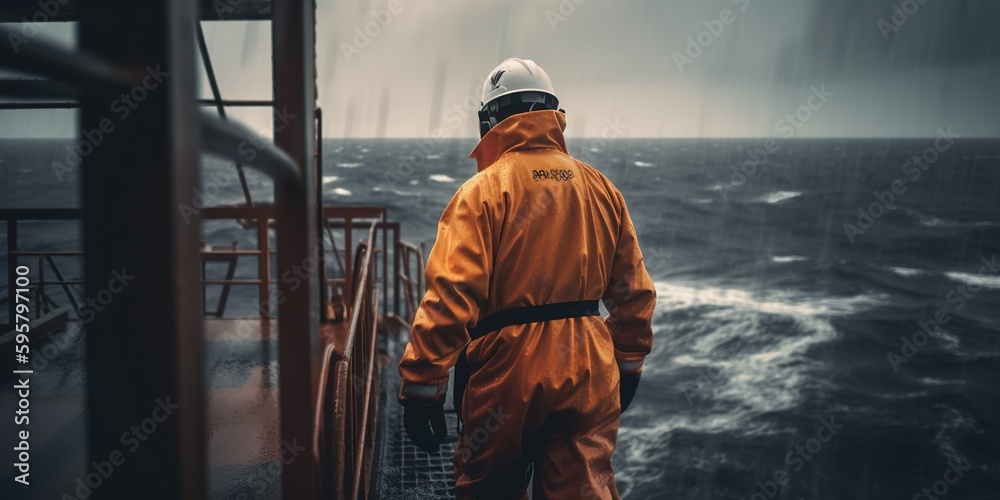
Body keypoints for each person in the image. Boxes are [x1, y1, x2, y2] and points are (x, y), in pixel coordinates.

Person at [398, 57, 656, 499]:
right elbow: (633, 293)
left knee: (490, 489)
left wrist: (423, 384)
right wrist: (628, 362)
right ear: (553, 114)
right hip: (588, 369)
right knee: (584, 489)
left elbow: (451, 295)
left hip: (506, 374)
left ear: (490, 122)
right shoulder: (600, 188)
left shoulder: (481, 193)